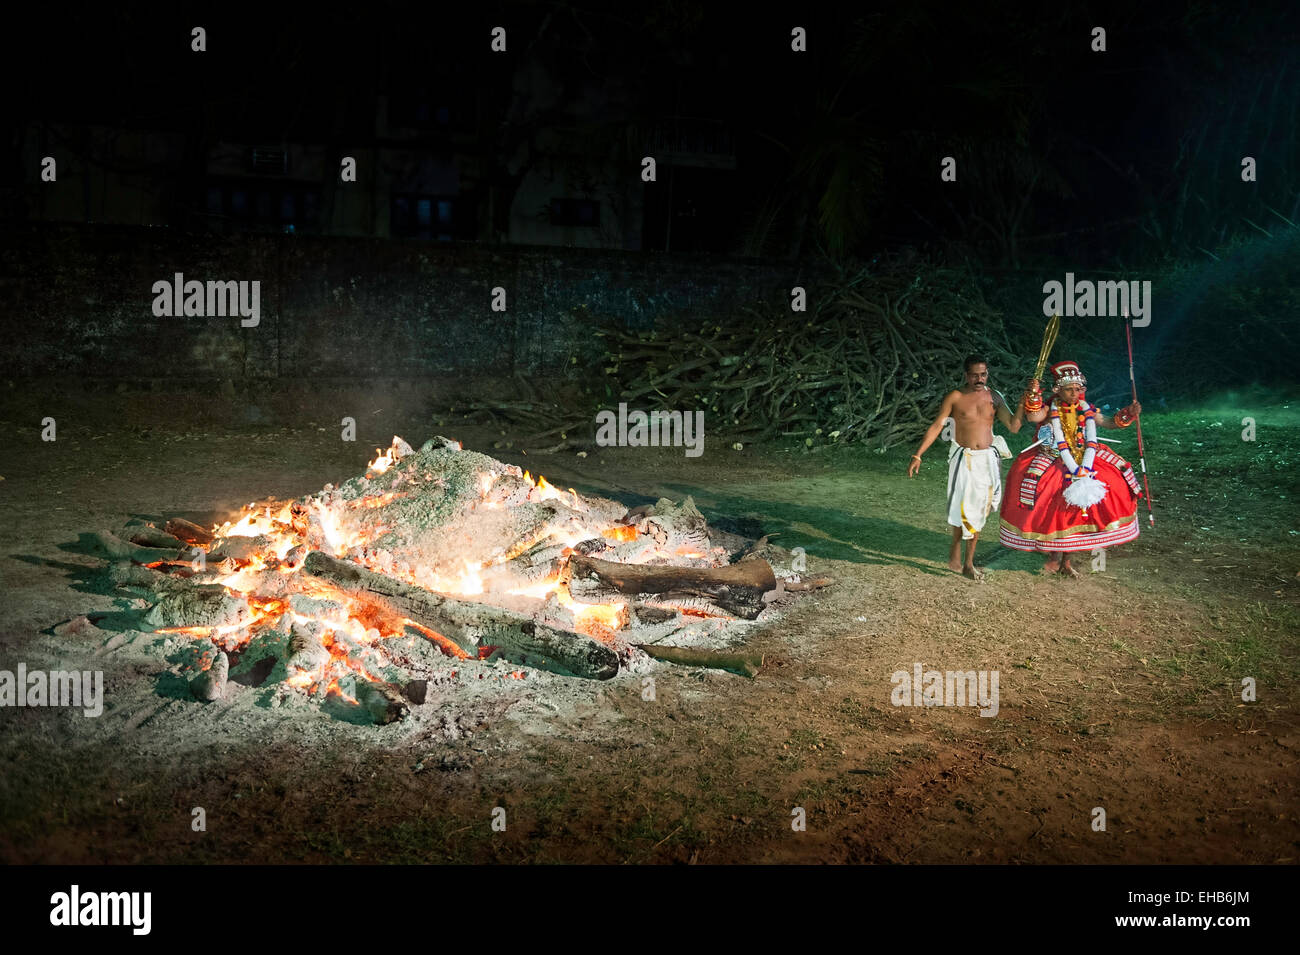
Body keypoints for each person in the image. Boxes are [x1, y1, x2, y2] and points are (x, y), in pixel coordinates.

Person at [998, 360, 1143, 576]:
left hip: (1085, 458)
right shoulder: (1050, 408)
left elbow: (1108, 422)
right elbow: (1033, 416)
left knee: (1110, 483)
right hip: (1054, 456)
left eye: (1078, 389)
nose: (1074, 394)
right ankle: (1054, 556)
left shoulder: (1086, 408)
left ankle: (1067, 559)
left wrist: (1129, 413)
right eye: (1069, 390)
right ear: (1058, 390)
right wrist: (1033, 395)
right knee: (1044, 495)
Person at [907, 356, 1023, 580]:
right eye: (974, 375)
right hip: (964, 459)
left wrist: (1023, 403)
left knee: (980, 509)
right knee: (965, 507)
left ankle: (966, 558)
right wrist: (918, 454)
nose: (979, 379)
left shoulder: (995, 398)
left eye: (983, 374)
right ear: (966, 375)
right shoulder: (956, 397)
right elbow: (937, 425)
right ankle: (964, 557)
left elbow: (1014, 426)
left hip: (987, 460)